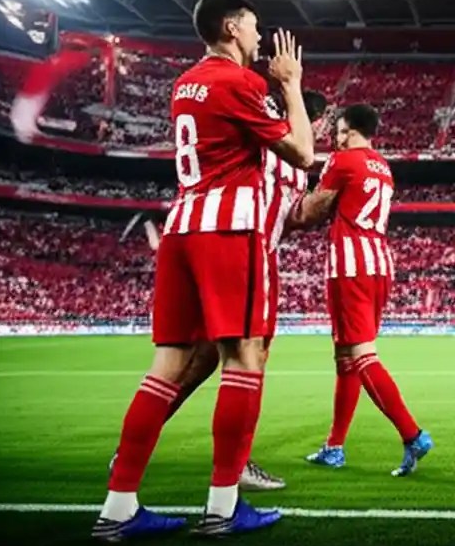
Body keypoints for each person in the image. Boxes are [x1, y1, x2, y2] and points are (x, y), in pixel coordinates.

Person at [93, 0, 315, 540]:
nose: (262, 40)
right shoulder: (239, 83)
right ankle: (223, 507)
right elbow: (304, 154)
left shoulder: (184, 82)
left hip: (181, 226)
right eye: (256, 28)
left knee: (166, 366)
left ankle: (117, 508)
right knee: (244, 359)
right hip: (230, 228)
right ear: (232, 26)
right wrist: (288, 85)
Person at [109, 89, 329, 493]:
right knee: (246, 356)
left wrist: (324, 202)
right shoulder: (272, 137)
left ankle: (132, 455)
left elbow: (290, 211)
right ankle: (232, 472)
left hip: (247, 246)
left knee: (202, 359)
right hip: (238, 245)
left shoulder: (294, 164)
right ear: (317, 121)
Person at [294, 104, 434, 476]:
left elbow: (312, 211)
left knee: (361, 356)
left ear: (350, 130)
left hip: (350, 263)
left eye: (339, 131)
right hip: (378, 260)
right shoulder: (383, 167)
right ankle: (335, 446)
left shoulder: (343, 160)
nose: (335, 138)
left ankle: (412, 434)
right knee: (346, 359)